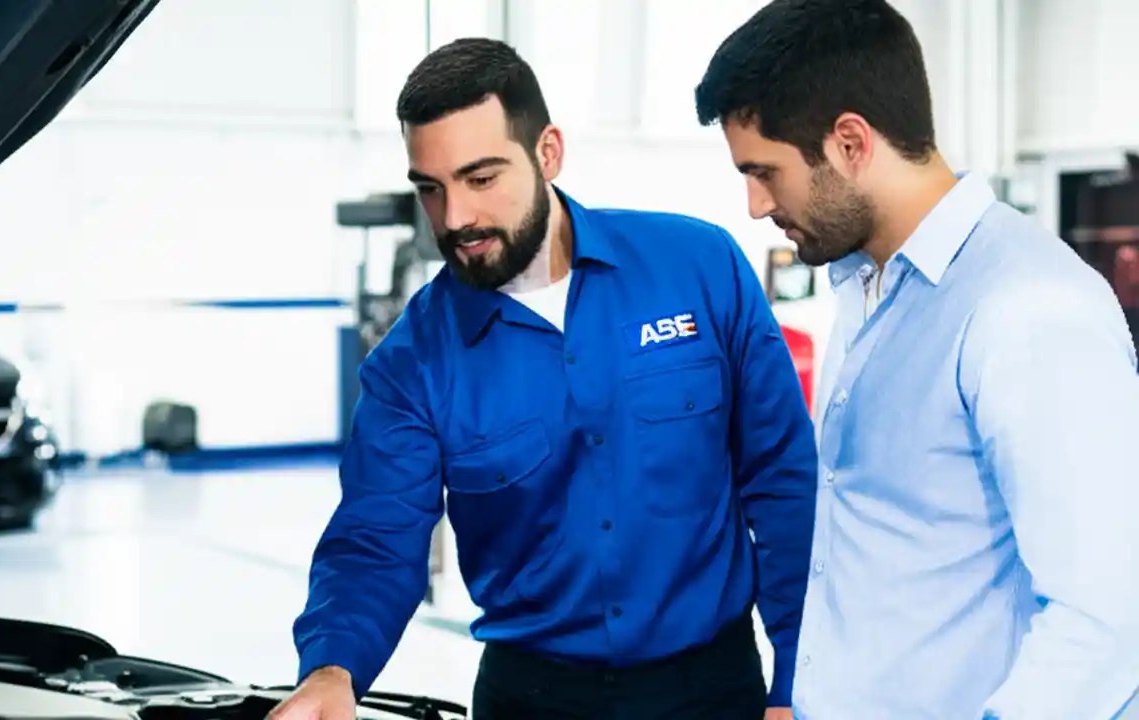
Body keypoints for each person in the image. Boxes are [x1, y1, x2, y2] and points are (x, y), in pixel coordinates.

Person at [267, 37, 817, 720]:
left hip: (713, 690)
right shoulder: (412, 361)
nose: (456, 217)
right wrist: (331, 669)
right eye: (431, 189)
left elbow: (785, 484)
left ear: (548, 152)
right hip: (531, 699)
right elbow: (377, 537)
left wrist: (797, 679)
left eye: (481, 178)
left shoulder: (699, 267)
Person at [694, 1, 1139, 718]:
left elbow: (1110, 619)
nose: (754, 204)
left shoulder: (1027, 307)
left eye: (765, 172)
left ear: (848, 143)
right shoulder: (865, 290)